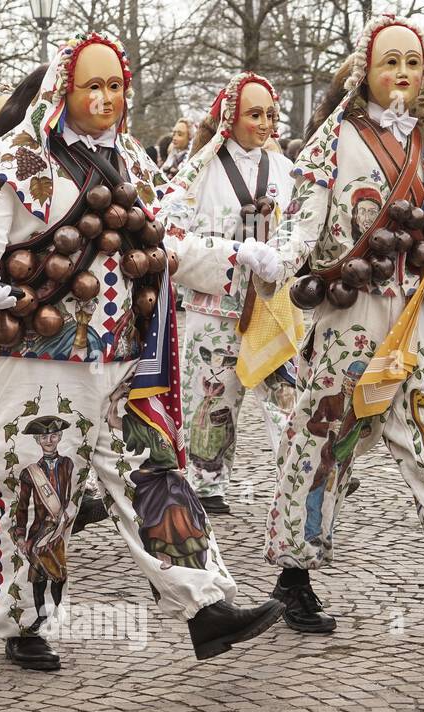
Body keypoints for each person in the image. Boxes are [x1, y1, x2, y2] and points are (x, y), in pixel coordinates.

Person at [0, 32, 285, 672]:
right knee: (39, 492)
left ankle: (207, 605)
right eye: (90, 85)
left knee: (156, 474)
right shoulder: (13, 161)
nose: (104, 98)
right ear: (62, 91)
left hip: (124, 358)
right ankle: (27, 622)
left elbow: (167, 241)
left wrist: (233, 256)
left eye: (114, 86)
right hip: (37, 363)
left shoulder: (132, 160)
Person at [238, 14, 424, 633]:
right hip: (350, 322)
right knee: (323, 446)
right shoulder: (336, 138)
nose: (402, 75)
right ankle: (294, 575)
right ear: (367, 72)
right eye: (391, 63)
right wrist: (279, 255)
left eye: (412, 62)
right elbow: (305, 218)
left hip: (417, 322)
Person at [157, 73, 299, 515]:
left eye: (270, 115)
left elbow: (303, 225)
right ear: (229, 117)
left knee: (288, 398)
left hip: (273, 307)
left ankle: (301, 474)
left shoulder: (284, 170)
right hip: (215, 307)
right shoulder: (197, 170)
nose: (265, 124)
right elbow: (170, 239)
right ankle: (206, 481)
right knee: (210, 396)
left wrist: (284, 255)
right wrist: (235, 252)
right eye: (254, 114)